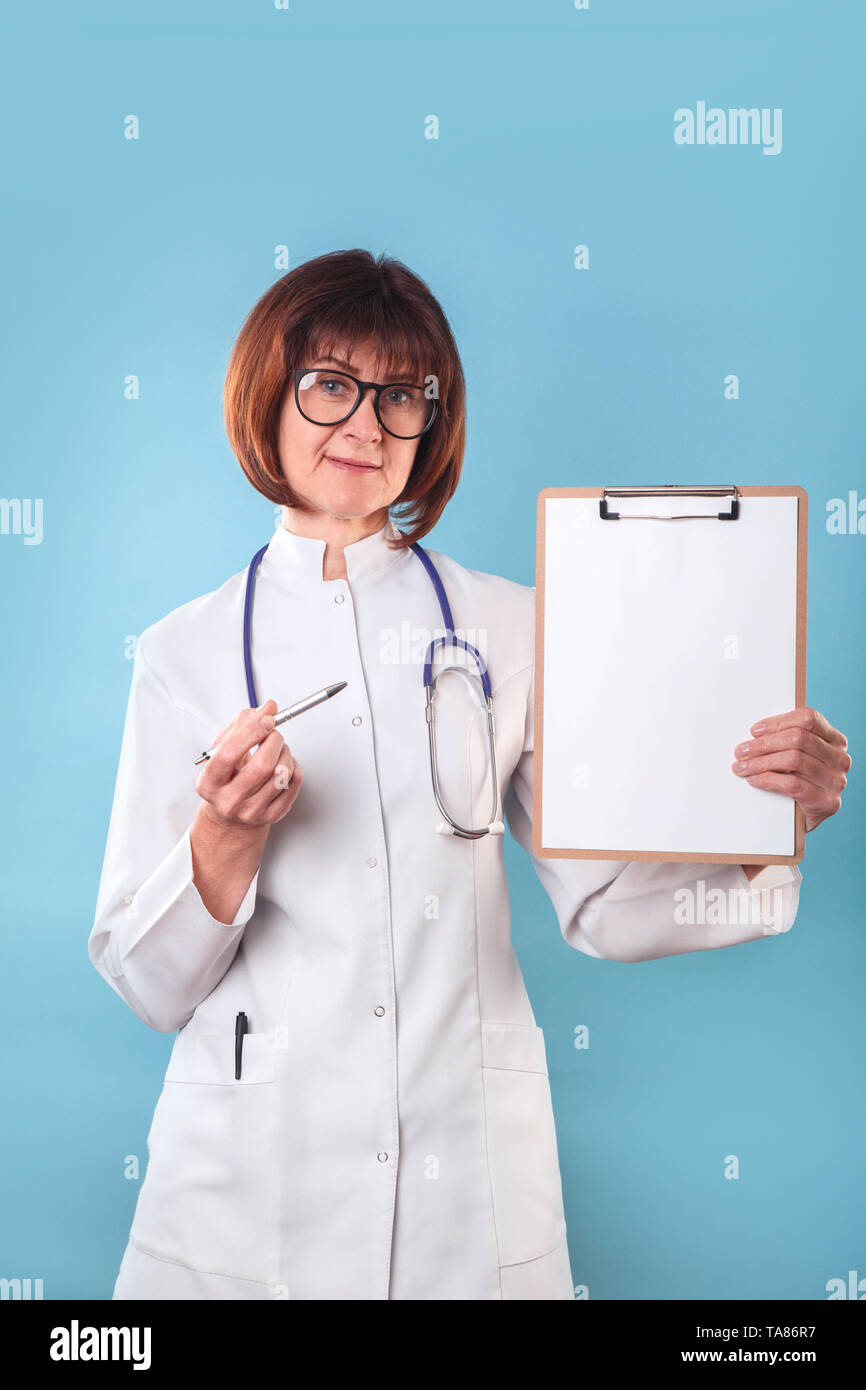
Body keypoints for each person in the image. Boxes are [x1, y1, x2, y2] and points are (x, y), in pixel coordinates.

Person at [89, 248, 851, 1301]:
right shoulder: (184, 650)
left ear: (430, 424)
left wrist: (769, 825)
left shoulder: (512, 626)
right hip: (243, 1186)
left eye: (401, 396)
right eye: (329, 384)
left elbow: (602, 908)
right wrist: (224, 837)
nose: (365, 425)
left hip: (465, 1183)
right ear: (266, 393)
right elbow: (147, 982)